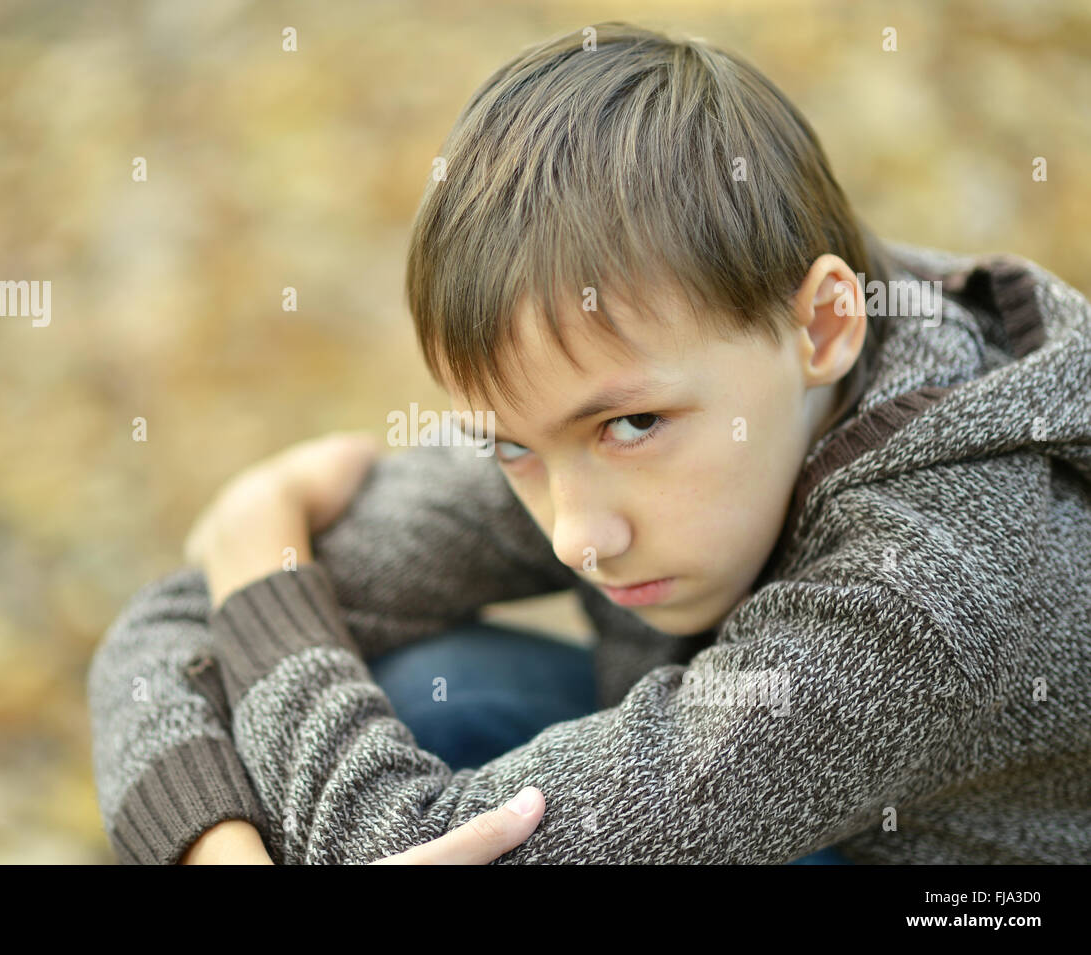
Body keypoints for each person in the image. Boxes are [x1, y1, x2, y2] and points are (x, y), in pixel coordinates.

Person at [87, 22, 1091, 864]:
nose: (578, 535)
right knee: (415, 688)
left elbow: (401, 843)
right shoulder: (646, 379)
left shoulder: (929, 588)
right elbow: (174, 627)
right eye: (509, 446)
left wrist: (258, 540)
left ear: (823, 327)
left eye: (632, 426)